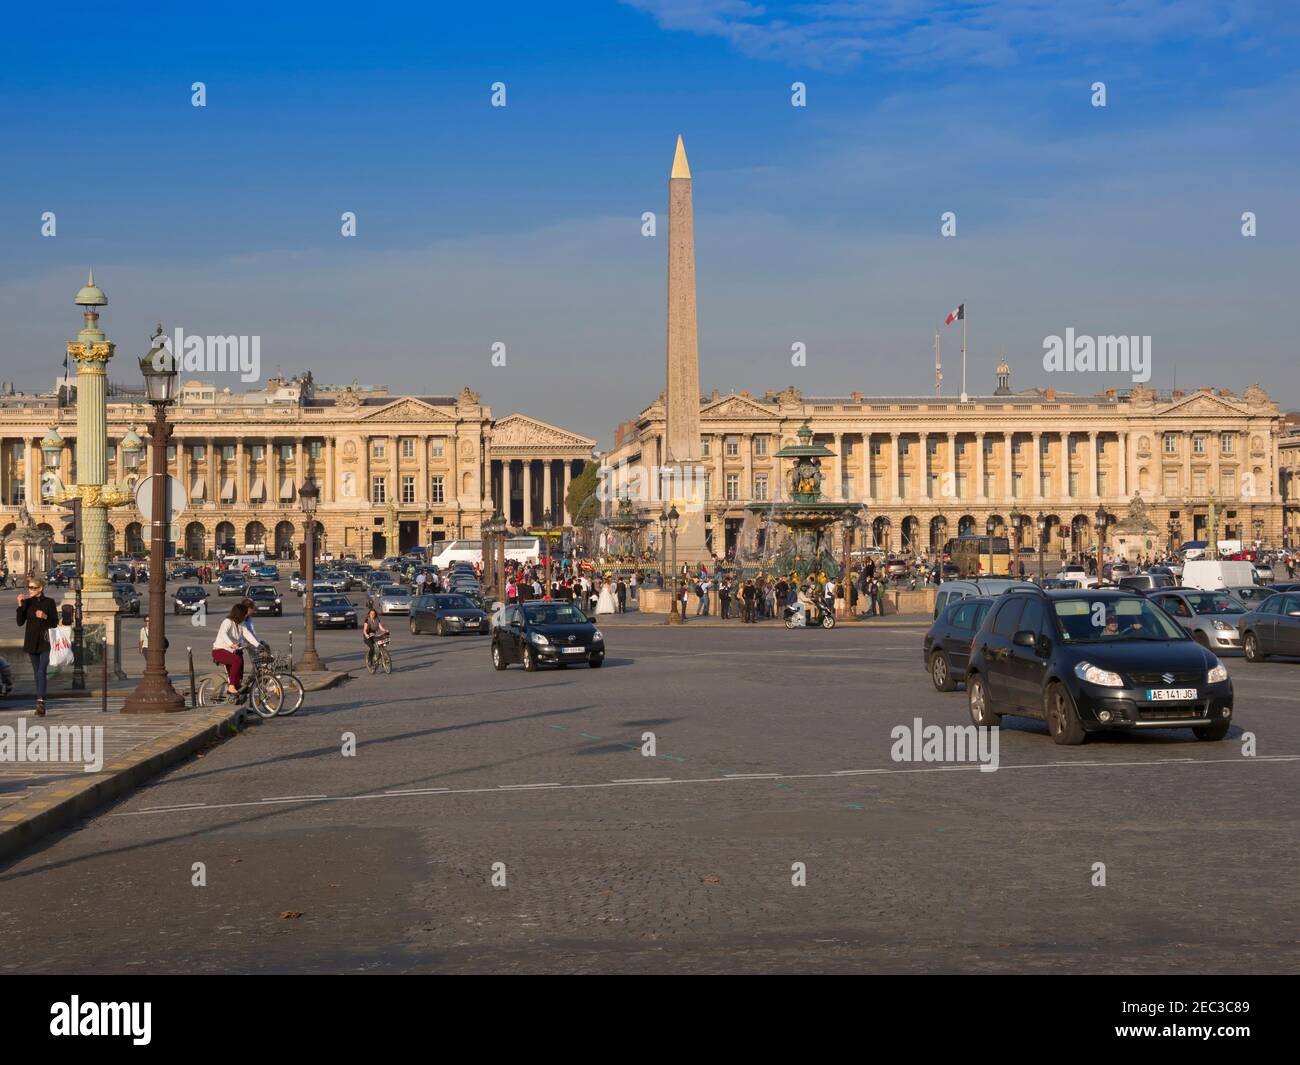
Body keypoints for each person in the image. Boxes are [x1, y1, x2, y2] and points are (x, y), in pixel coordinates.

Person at [17, 575, 58, 716]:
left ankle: (41, 702)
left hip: (46, 642)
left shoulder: (49, 602)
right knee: (37, 674)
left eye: (33, 588)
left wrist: (44, 616)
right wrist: (20, 605)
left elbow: (54, 622)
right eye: (29, 587)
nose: (30, 590)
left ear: (41, 588)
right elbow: (19, 622)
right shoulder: (27, 602)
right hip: (31, 642)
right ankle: (40, 702)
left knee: (41, 671)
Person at [212, 602, 255, 696]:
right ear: (239, 614)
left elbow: (247, 634)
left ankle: (235, 686)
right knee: (237, 661)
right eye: (244, 614)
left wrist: (258, 645)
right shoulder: (227, 622)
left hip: (231, 651)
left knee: (238, 669)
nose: (246, 616)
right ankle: (231, 687)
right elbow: (223, 634)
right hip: (219, 651)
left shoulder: (241, 623)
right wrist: (231, 644)